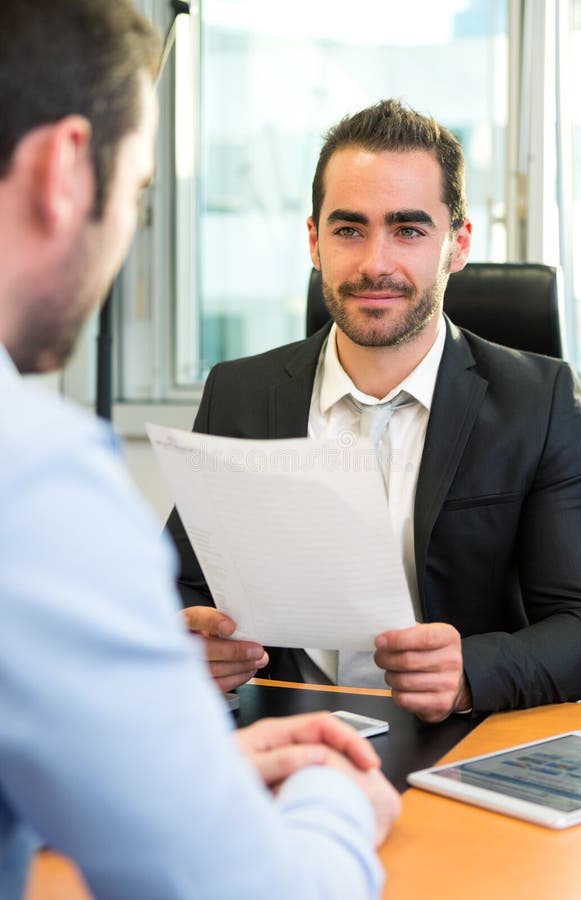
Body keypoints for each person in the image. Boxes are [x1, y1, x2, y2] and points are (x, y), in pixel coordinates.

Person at [0, 3, 400, 898]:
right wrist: (333, 793)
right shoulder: (33, 480)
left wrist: (179, 772)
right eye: (138, 193)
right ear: (65, 169)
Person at [167, 98, 581, 724]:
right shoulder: (238, 392)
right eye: (349, 230)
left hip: (453, 740)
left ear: (457, 245)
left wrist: (471, 673)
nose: (375, 264)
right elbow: (179, 583)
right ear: (314, 241)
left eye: (409, 230)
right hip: (285, 727)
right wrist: (189, 638)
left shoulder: (540, 401)